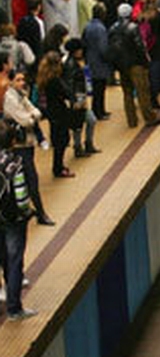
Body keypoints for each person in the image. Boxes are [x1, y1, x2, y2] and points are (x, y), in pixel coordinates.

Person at [4, 71, 54, 226]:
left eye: (23, 79)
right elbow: (26, 120)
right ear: (11, 82)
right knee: (31, 178)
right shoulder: (9, 98)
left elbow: (36, 112)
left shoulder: (21, 95)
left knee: (26, 178)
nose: (22, 82)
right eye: (18, 80)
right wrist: (31, 117)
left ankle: (27, 210)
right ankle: (40, 213)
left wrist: (31, 116)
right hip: (19, 145)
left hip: (28, 142)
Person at [0, 120, 37, 321]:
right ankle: (14, 308)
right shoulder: (14, 163)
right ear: (12, 141)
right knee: (14, 261)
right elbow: (21, 194)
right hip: (13, 218)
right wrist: (27, 211)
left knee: (3, 258)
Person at [108, 4, 160, 128]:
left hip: (121, 65)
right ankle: (149, 117)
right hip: (135, 64)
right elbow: (140, 47)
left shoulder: (112, 29)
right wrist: (146, 62)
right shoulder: (133, 28)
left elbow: (111, 49)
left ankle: (131, 120)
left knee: (127, 93)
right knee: (142, 91)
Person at [37, 51, 76, 178]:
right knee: (62, 140)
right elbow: (67, 93)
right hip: (59, 111)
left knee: (57, 138)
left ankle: (58, 166)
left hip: (51, 111)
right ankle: (58, 168)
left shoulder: (44, 77)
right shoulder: (55, 80)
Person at [62, 39, 98, 157]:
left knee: (81, 122)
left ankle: (84, 145)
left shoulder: (78, 62)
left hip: (81, 95)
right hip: (77, 97)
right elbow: (70, 83)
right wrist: (75, 100)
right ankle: (81, 146)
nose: (81, 51)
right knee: (83, 122)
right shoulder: (71, 65)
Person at [82, 4, 112, 120]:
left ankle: (100, 110)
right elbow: (103, 47)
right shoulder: (100, 28)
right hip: (100, 62)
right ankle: (99, 112)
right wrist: (109, 58)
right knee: (100, 88)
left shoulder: (88, 26)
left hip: (91, 60)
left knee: (96, 88)